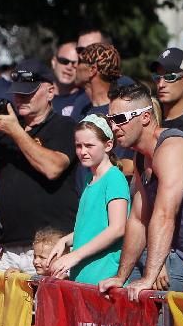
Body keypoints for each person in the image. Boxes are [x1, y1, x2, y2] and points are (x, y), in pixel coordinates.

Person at [98, 83, 183, 299]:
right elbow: (138, 219)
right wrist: (121, 277)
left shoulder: (171, 148)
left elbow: (165, 214)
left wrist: (149, 277)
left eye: (120, 119)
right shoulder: (141, 158)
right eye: (110, 120)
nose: (114, 127)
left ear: (145, 117)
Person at [0, 59, 80, 274]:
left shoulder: (65, 127)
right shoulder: (6, 129)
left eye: (28, 93)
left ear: (50, 92)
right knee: (0, 308)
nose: (20, 98)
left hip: (49, 247)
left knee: (45, 308)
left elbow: (53, 168)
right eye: (17, 93)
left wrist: (17, 132)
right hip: (10, 247)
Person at [49, 115, 129, 283]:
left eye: (89, 146)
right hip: (85, 278)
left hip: (104, 279)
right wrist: (67, 239)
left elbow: (118, 228)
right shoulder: (89, 179)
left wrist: (75, 255)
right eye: (78, 146)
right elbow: (93, 227)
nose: (82, 151)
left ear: (108, 145)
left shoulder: (114, 178)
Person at [74, 42, 121, 116]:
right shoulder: (80, 108)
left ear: (92, 70)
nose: (74, 66)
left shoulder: (119, 113)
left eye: (79, 61)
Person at [51, 42, 89, 119]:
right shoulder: (39, 95)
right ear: (54, 62)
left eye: (75, 64)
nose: (69, 67)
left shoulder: (87, 100)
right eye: (64, 61)